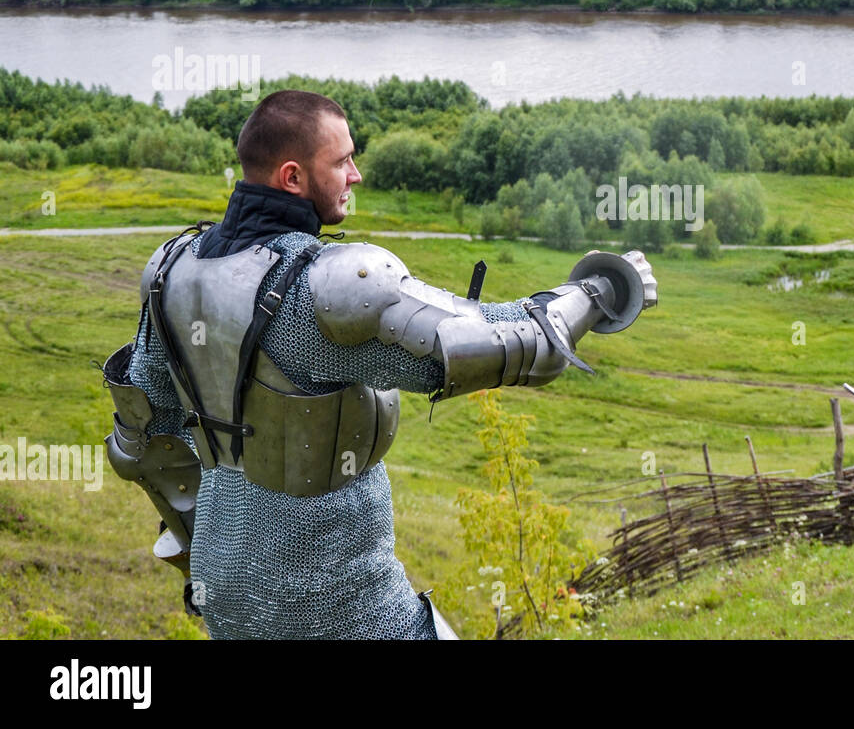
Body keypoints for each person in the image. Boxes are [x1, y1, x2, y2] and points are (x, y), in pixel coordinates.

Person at [102, 88, 657, 639]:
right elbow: (508, 346)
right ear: (292, 177)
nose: (356, 174)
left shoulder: (173, 270)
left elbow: (141, 439)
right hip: (340, 601)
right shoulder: (320, 287)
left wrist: (208, 559)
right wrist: (604, 287)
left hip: (224, 588)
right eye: (341, 161)